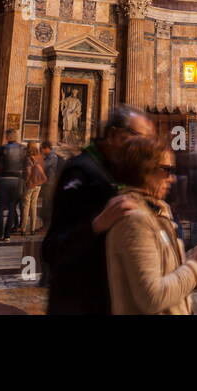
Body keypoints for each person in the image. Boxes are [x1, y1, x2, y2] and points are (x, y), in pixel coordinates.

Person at [42, 105, 155, 315]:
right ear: (114, 135)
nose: (146, 148)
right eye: (140, 138)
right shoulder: (81, 172)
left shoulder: (117, 173)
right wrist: (97, 224)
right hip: (78, 302)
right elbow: (52, 249)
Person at [104, 136, 197, 314]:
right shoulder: (134, 220)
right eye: (166, 170)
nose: (172, 179)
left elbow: (169, 272)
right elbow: (152, 297)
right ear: (144, 171)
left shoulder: (157, 211)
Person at [0, 129, 25, 241]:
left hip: (4, 179)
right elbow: (24, 165)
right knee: (11, 208)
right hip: (16, 181)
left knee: (0, 208)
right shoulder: (22, 149)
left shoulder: (2, 148)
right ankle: (7, 234)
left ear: (7, 137)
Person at [21, 141, 47, 236]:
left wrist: (27, 182)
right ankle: (32, 228)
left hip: (31, 184)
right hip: (38, 184)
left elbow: (28, 171)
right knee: (34, 205)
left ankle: (23, 228)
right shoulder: (40, 158)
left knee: (26, 205)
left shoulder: (28, 158)